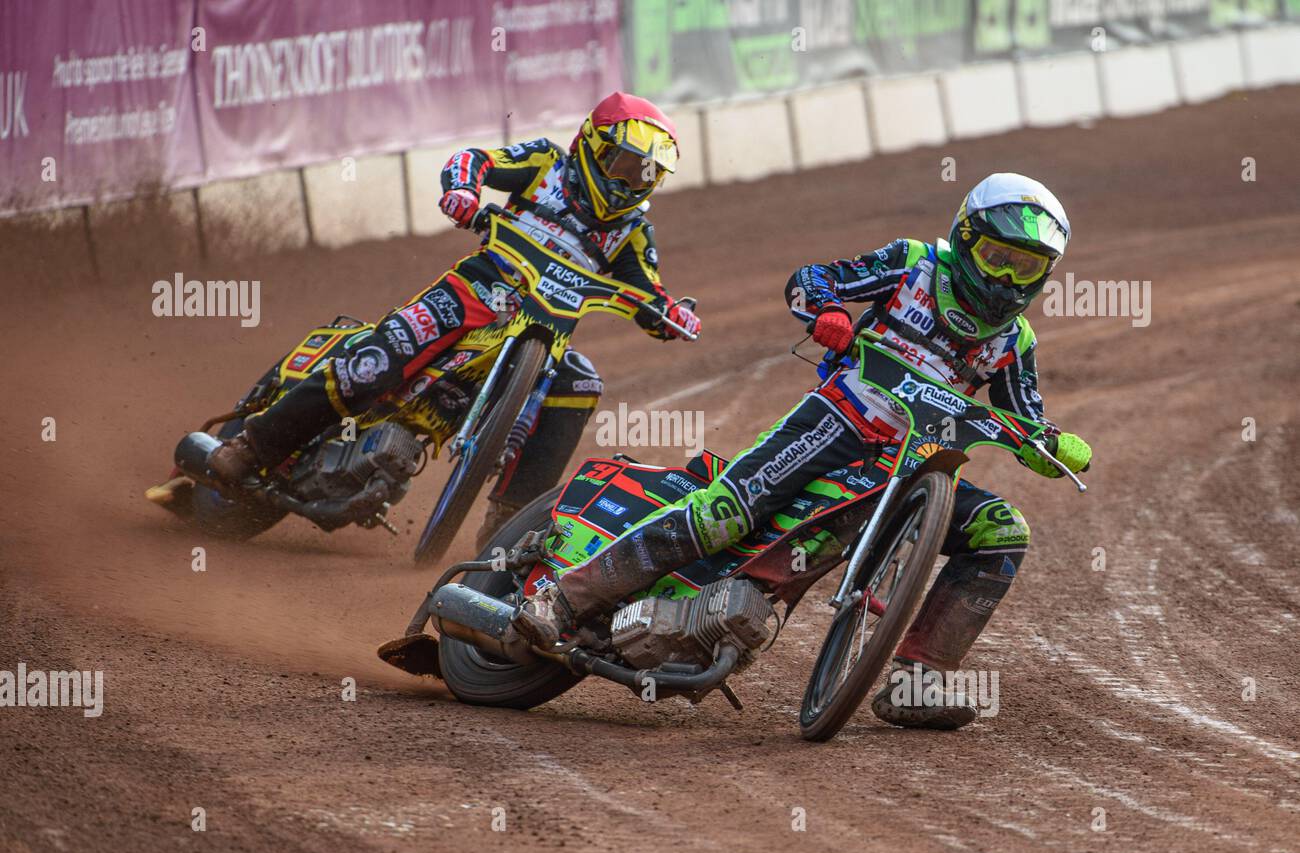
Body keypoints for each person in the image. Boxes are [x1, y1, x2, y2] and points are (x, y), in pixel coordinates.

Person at [513, 172, 1092, 730]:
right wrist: (830, 312)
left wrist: (1046, 444)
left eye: (1028, 268)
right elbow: (813, 279)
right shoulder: (914, 264)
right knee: (725, 513)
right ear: (966, 241)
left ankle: (919, 680)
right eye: (998, 259)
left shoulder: (1014, 341)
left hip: (913, 465)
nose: (1007, 280)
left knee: (1003, 529)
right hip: (838, 423)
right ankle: (565, 599)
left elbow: (1025, 417)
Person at [205, 92, 700, 544]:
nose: (629, 183)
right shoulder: (547, 164)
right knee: (376, 362)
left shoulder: (632, 232)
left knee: (582, 382)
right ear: (592, 147)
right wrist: (464, 191)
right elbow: (477, 160)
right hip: (474, 291)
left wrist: (670, 313)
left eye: (646, 175)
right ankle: (253, 447)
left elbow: (647, 291)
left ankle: (507, 526)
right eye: (624, 166)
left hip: (547, 332)